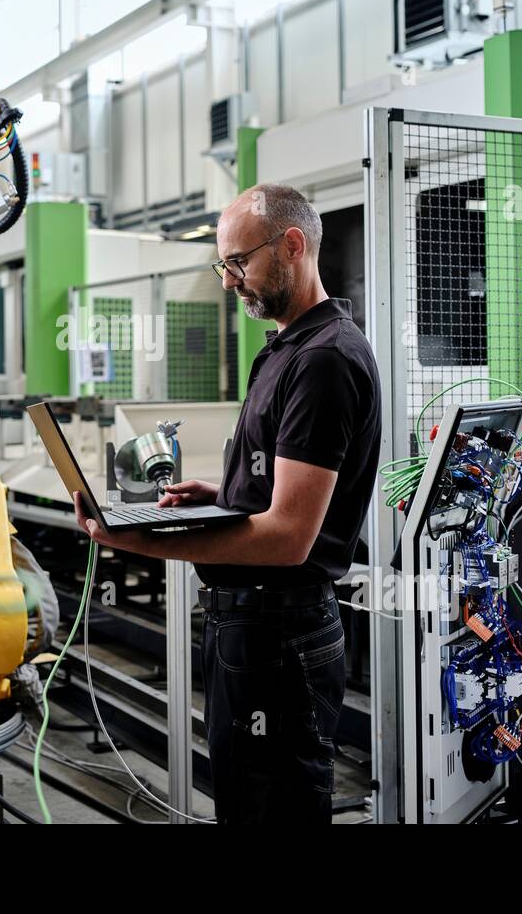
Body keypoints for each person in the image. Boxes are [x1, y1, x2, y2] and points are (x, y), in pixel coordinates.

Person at [74, 182, 381, 824]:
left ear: (292, 246)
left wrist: (145, 538)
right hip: (251, 632)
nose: (229, 281)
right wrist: (227, 496)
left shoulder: (325, 360)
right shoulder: (287, 348)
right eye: (224, 266)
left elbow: (288, 537)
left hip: (281, 637)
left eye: (239, 263)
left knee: (276, 811)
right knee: (246, 804)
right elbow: (281, 494)